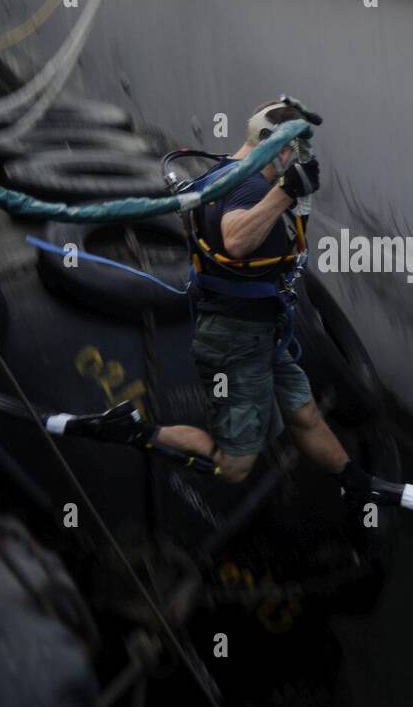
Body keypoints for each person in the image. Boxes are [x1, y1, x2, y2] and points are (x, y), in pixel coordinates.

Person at [146, 100, 373, 504]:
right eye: (297, 148)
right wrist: (285, 194)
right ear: (278, 148)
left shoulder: (226, 172)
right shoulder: (249, 184)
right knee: (235, 466)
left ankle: (354, 478)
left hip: (260, 334)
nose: (301, 158)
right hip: (235, 341)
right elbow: (235, 240)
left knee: (303, 415)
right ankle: (141, 432)